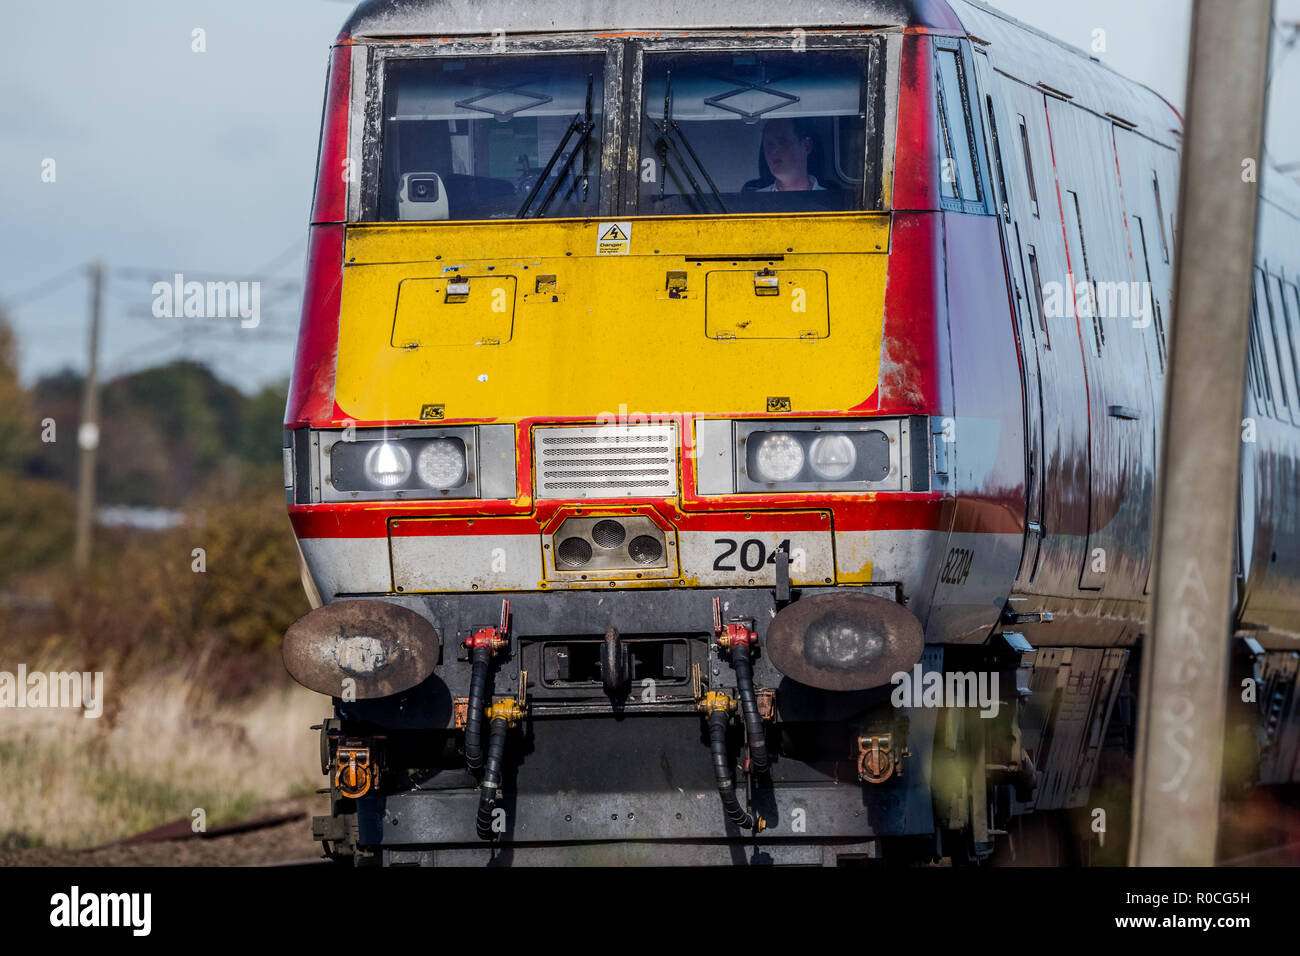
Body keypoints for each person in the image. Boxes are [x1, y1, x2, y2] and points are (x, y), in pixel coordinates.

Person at [754, 118, 827, 192]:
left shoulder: (830, 200)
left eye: (783, 142)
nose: (774, 150)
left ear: (806, 146)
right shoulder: (754, 201)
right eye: (769, 144)